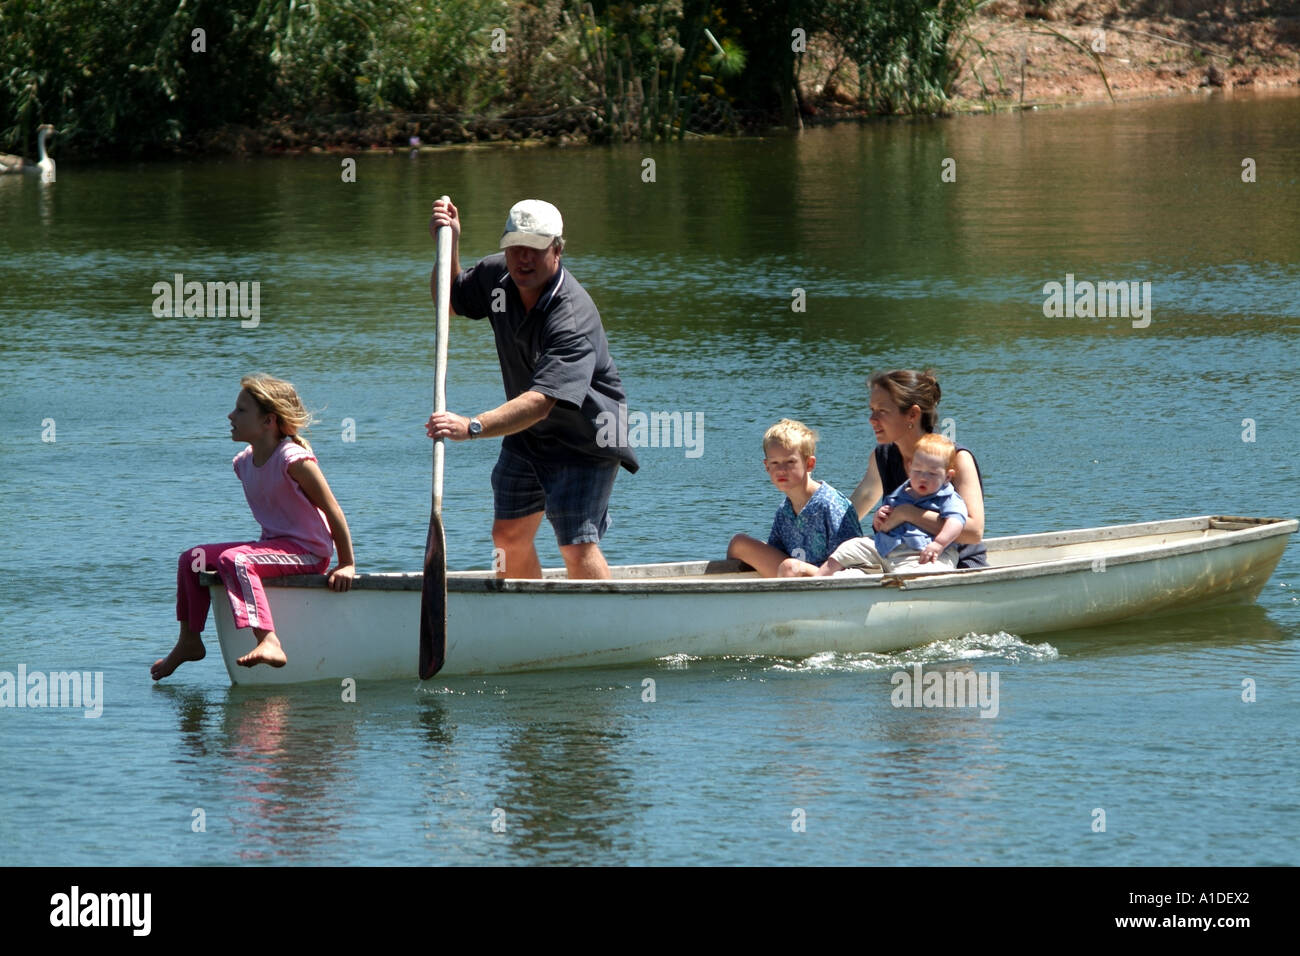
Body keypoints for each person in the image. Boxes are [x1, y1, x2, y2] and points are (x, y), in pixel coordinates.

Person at [425, 197, 637, 580]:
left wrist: (473, 426)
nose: (523, 258)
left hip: (585, 441)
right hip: (528, 437)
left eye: (535, 250)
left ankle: (600, 625)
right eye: (515, 248)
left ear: (557, 250)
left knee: (576, 543)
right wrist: (451, 241)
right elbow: (451, 301)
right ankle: (527, 618)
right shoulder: (497, 278)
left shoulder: (571, 315)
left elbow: (541, 402)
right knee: (507, 535)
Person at [151, 375, 355, 679]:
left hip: (308, 553)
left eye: (241, 410)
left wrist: (346, 563)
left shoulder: (294, 459)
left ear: (268, 421)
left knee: (235, 559)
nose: (230, 416)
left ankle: (269, 640)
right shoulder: (243, 462)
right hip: (273, 547)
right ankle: (189, 641)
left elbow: (333, 510)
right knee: (191, 560)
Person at [847, 369, 987, 568]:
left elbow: (974, 532)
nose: (872, 419)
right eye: (872, 410)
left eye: (882, 411)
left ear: (912, 414)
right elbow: (854, 511)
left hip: (956, 564)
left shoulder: (958, 459)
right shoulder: (881, 457)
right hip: (899, 558)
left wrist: (908, 513)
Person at [727, 419, 862, 577]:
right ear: (767, 466)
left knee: (789, 567)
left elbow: (853, 561)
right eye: (775, 462)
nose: (781, 470)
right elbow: (777, 552)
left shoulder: (830, 504)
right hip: (792, 575)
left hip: (831, 579)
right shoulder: (785, 510)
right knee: (739, 544)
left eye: (790, 462)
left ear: (809, 464)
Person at [818, 433, 967, 574]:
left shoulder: (947, 497)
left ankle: (901, 594)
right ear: (909, 468)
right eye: (918, 470)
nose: (923, 478)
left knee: (917, 572)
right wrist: (879, 518)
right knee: (849, 547)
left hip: (924, 551)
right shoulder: (903, 491)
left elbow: (955, 522)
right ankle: (818, 580)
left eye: (932, 473)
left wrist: (939, 543)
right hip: (888, 545)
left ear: (948, 476)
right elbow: (885, 518)